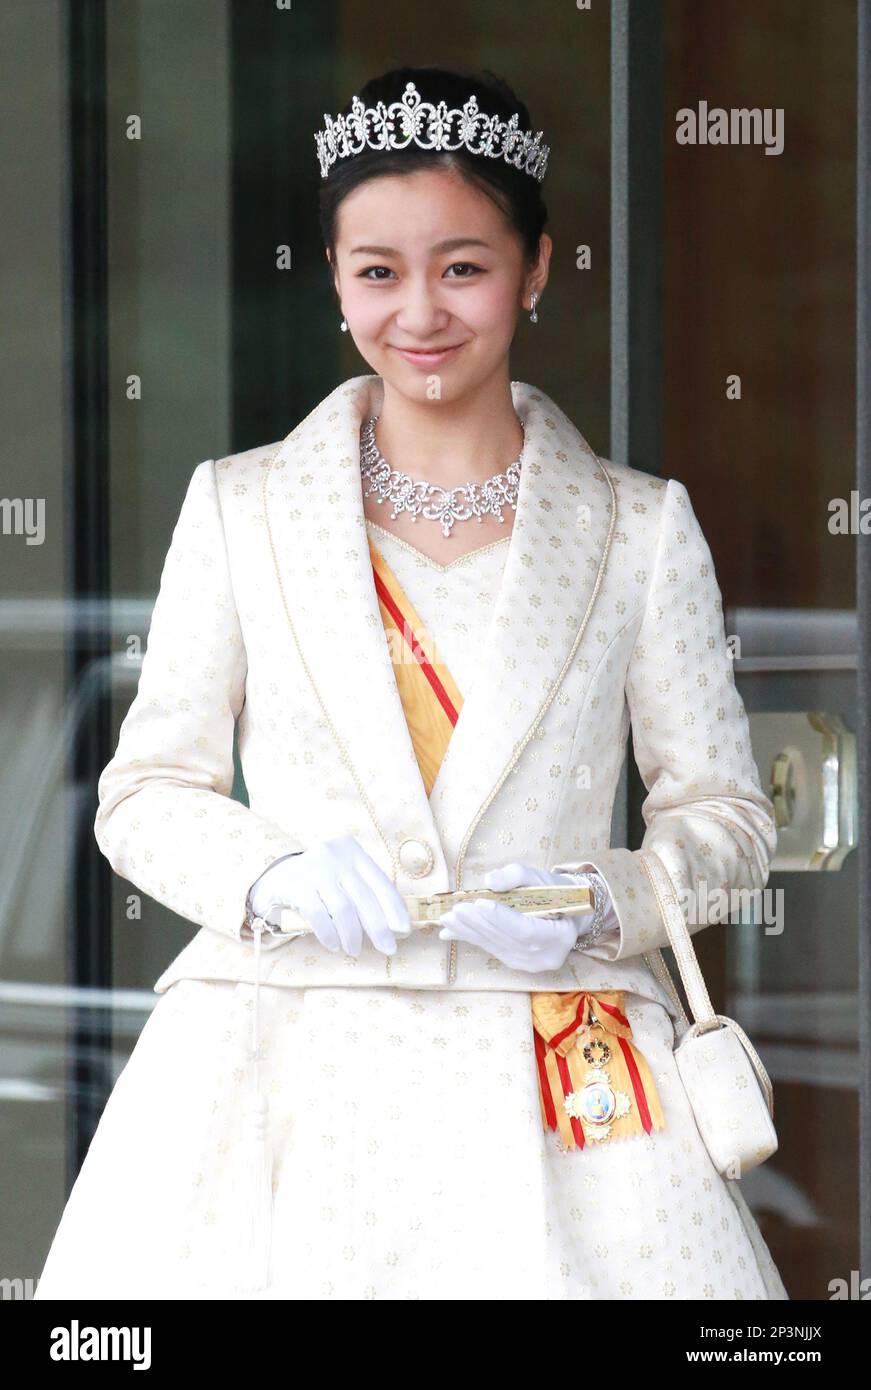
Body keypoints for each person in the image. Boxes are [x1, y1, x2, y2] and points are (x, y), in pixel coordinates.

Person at [34, 64, 788, 1301]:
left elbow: (727, 816)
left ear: (536, 269)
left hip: (560, 1077)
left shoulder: (637, 529)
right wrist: (273, 875)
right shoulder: (241, 509)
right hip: (283, 1062)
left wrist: (600, 903)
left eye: (463, 266)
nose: (420, 311)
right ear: (334, 279)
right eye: (377, 270)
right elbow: (145, 795)